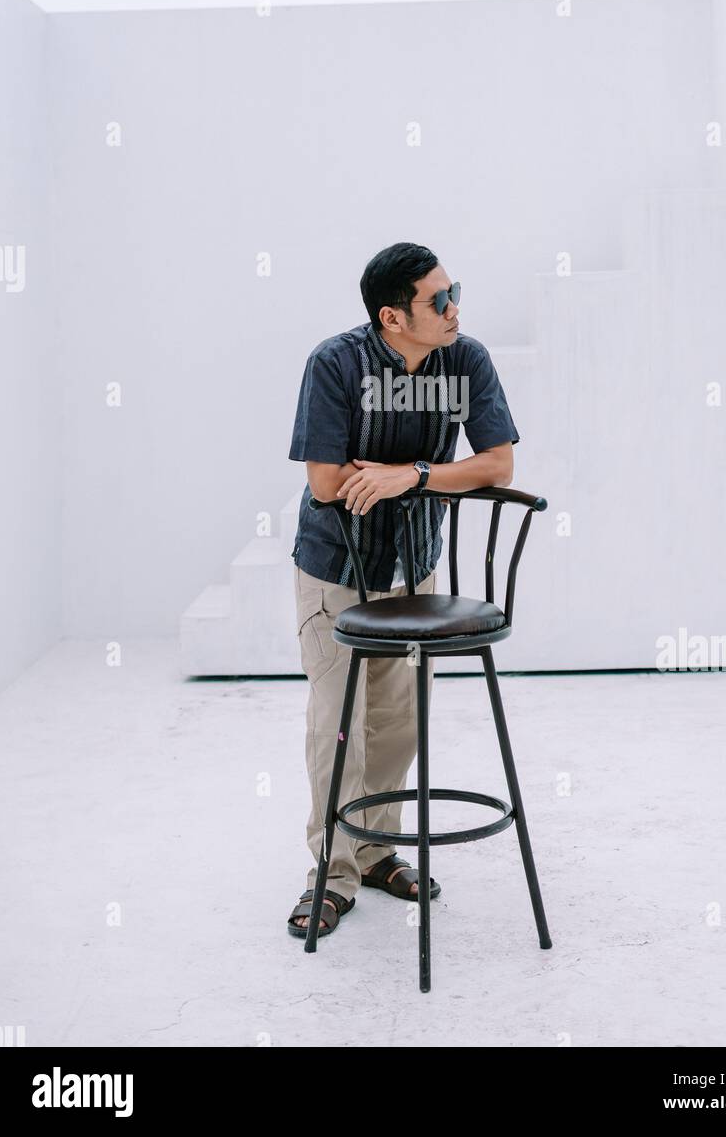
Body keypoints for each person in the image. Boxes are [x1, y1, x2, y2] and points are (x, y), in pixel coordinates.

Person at [286, 242, 520, 937]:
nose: (454, 310)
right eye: (438, 300)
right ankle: (332, 873)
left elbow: (498, 466)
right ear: (392, 316)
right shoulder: (335, 363)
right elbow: (327, 483)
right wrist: (433, 473)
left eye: (455, 293)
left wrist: (407, 475)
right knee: (341, 723)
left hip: (415, 566)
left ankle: (379, 848)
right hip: (339, 569)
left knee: (399, 717)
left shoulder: (465, 359)